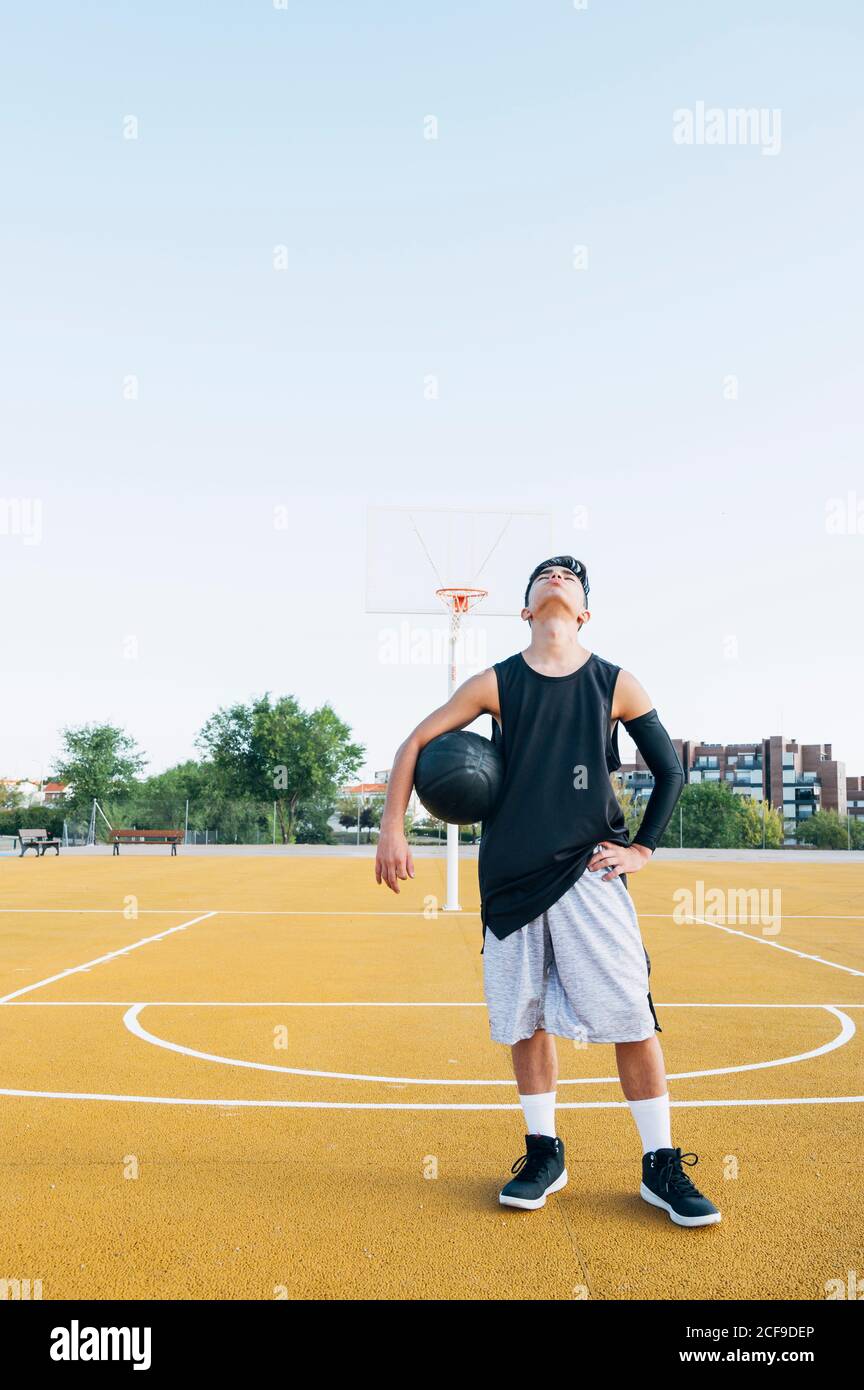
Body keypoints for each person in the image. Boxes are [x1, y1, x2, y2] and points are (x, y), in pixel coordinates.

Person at [375, 556, 720, 1227]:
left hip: (591, 872)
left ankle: (661, 1165)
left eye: (569, 577)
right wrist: (393, 826)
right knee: (523, 1018)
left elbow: (670, 770)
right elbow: (416, 741)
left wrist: (643, 848)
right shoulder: (496, 683)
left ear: (583, 611)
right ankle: (543, 1152)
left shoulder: (615, 682)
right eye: (545, 576)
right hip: (509, 875)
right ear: (528, 609)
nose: (557, 577)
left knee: (631, 1017)